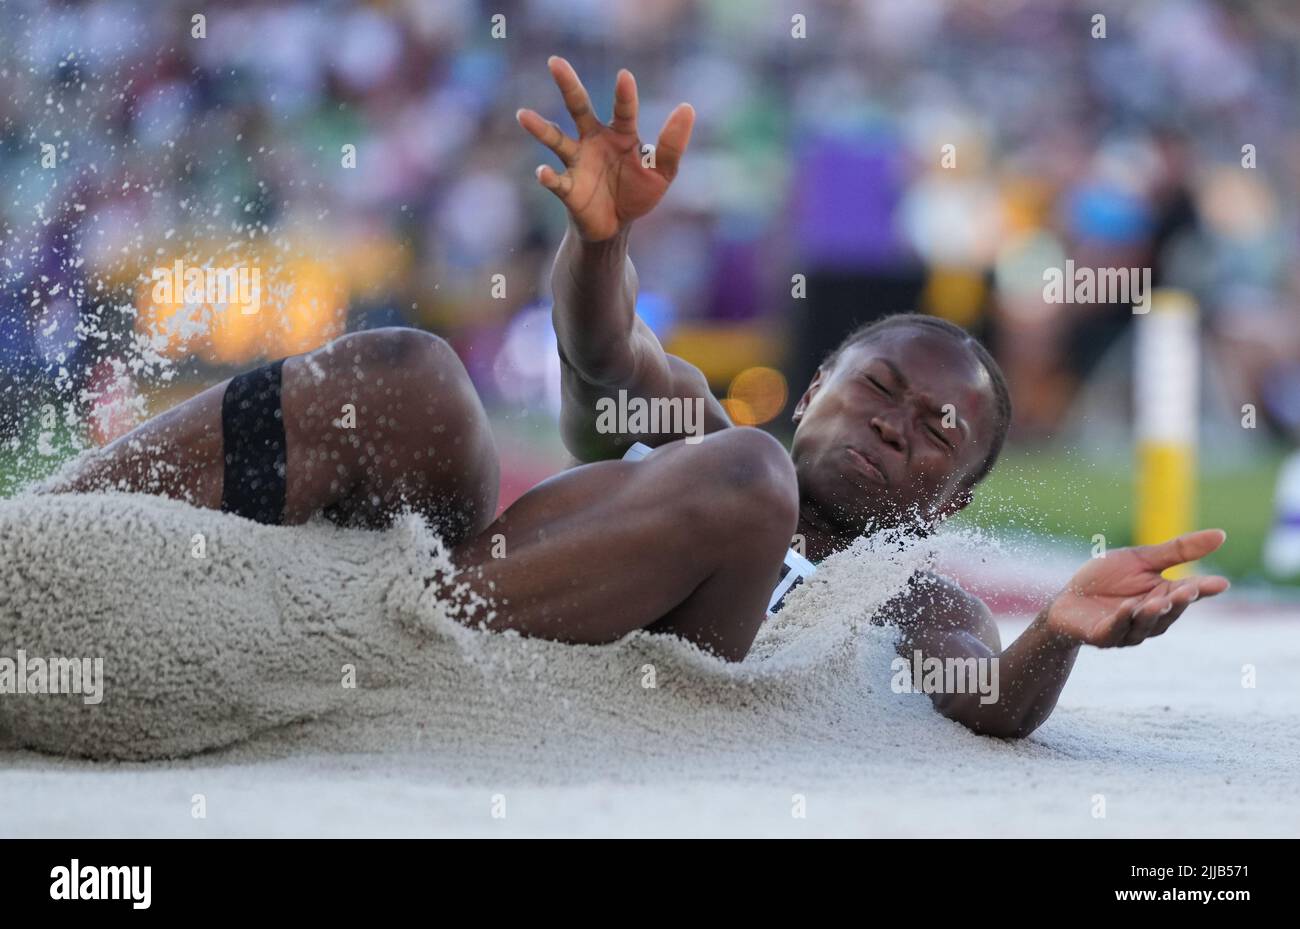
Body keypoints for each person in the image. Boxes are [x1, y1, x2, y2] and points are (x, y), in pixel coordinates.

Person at [46, 58, 1230, 739]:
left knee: (747, 483)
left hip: (503, 682)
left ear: (950, 499)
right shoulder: (704, 436)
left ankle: (382, 637)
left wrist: (1055, 638)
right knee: (410, 370)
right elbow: (608, 354)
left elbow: (989, 699)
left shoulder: (903, 594)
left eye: (937, 435)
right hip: (443, 572)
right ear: (813, 386)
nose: (894, 423)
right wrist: (601, 247)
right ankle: (48, 537)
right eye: (877, 388)